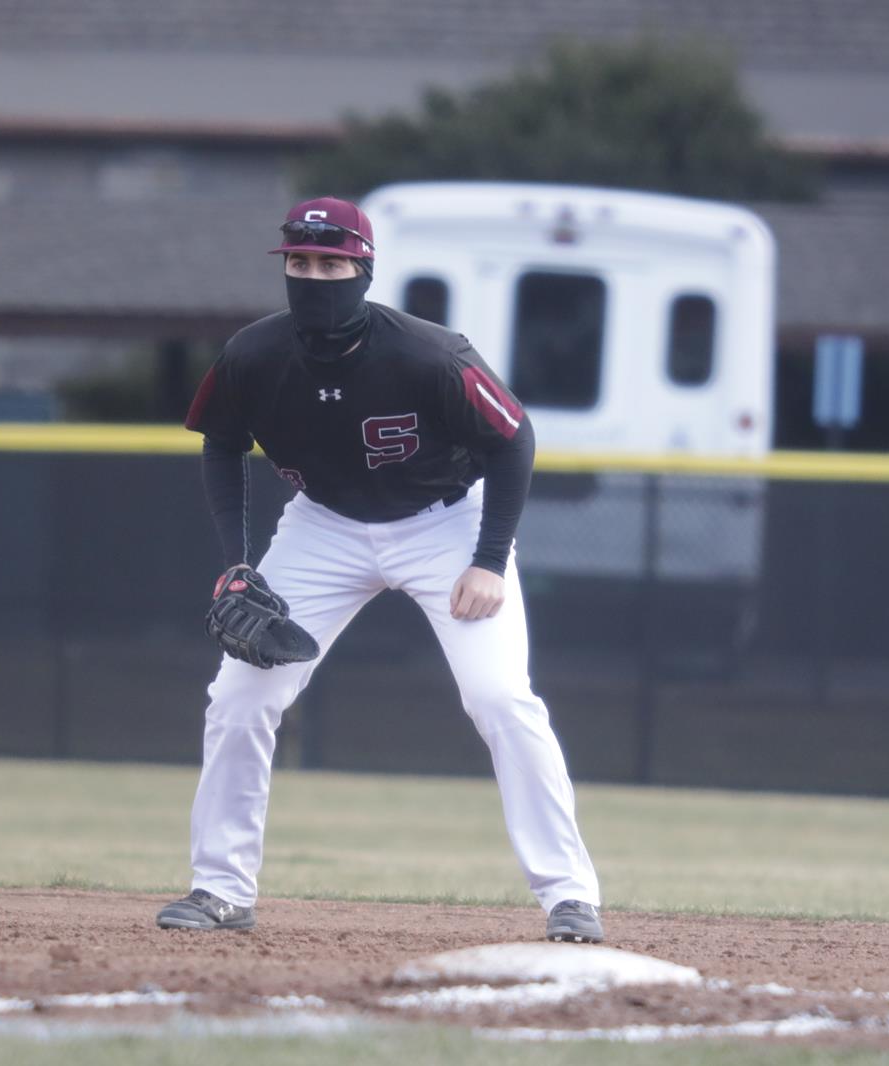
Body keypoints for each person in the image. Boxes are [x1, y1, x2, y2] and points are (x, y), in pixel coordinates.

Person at [155, 196, 603, 943]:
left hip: (446, 525)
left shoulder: (427, 354)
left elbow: (514, 439)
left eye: (331, 263)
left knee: (498, 697)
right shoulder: (255, 354)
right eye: (299, 262)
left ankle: (570, 896)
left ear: (363, 271)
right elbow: (221, 443)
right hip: (323, 528)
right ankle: (221, 891)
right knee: (239, 698)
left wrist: (489, 560)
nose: (313, 276)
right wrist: (237, 564)